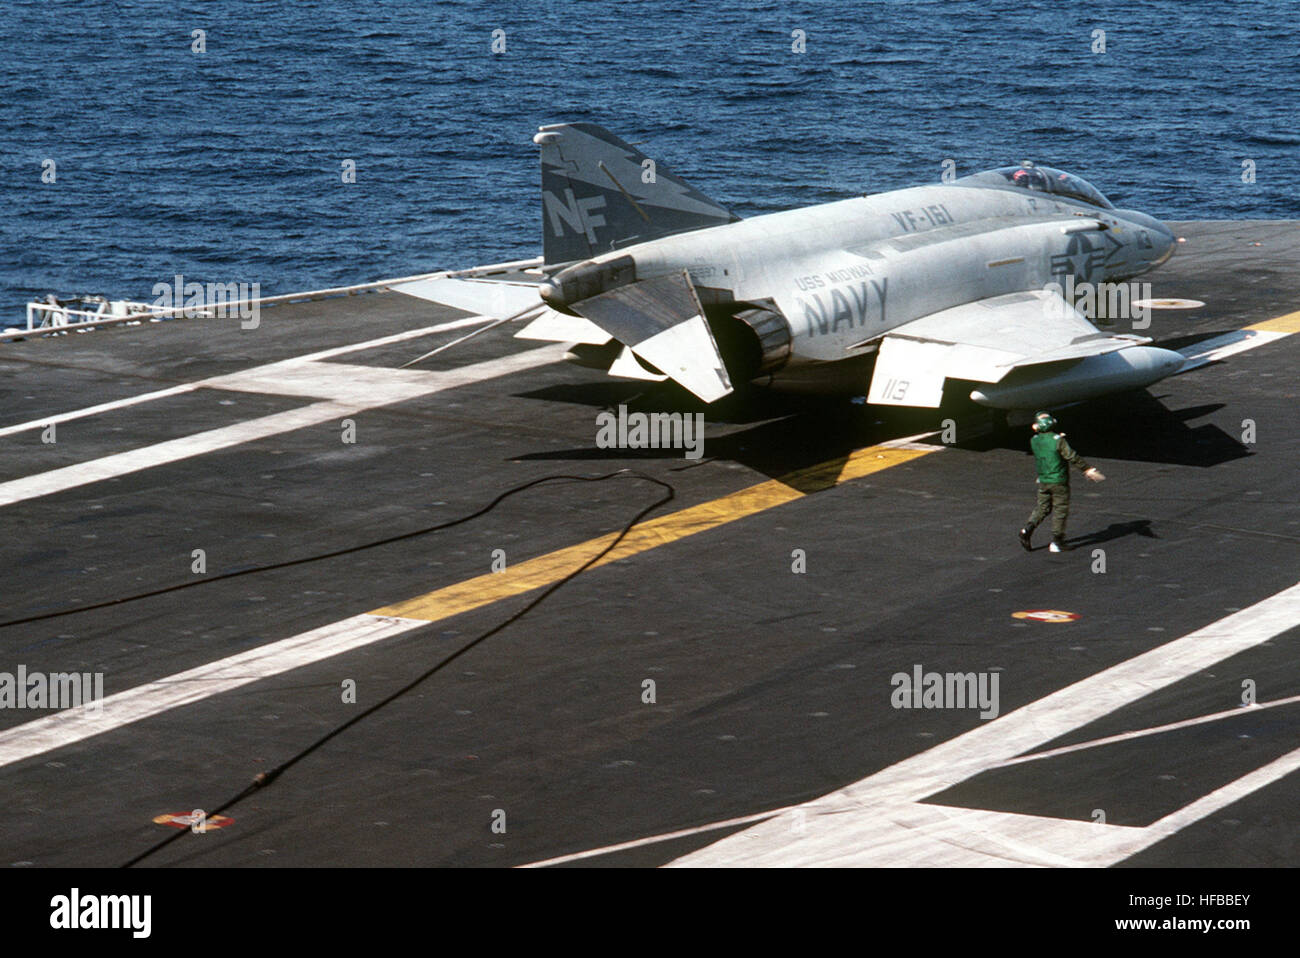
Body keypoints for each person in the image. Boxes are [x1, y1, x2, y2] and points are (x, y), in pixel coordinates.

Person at [1018, 411, 1105, 552]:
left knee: (1043, 507)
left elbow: (1047, 449)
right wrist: (1087, 469)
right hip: (1058, 480)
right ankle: (1057, 541)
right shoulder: (1058, 440)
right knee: (1060, 509)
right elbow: (1072, 456)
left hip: (1043, 479)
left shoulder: (1034, 440)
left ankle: (1027, 530)